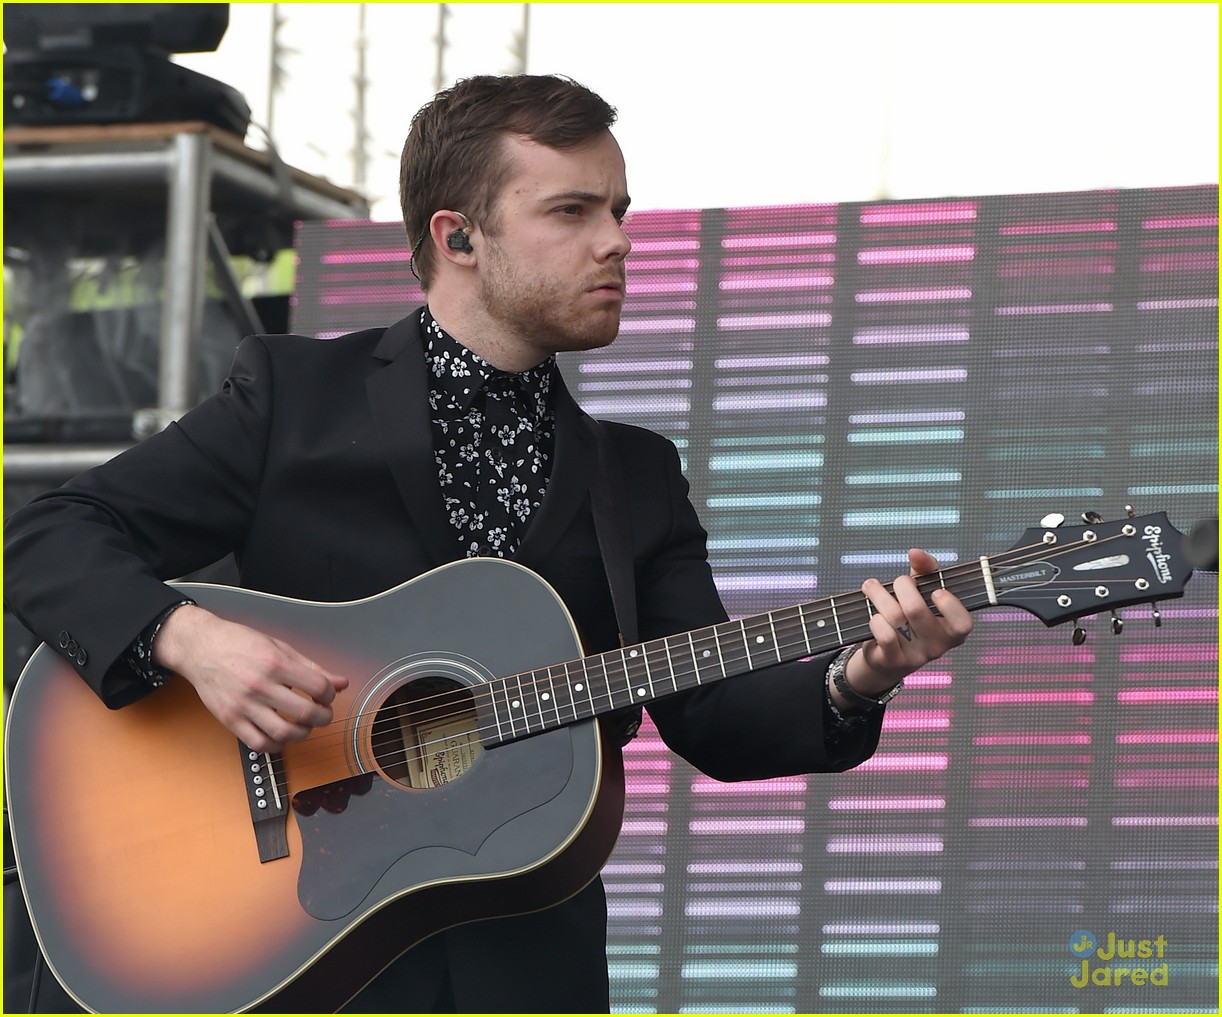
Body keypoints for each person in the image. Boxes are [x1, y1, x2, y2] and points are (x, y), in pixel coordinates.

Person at [3, 74, 973, 1013]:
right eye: (573, 212)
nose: (618, 242)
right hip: (288, 935)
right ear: (457, 235)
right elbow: (48, 535)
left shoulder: (633, 475)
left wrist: (858, 678)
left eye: (620, 210)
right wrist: (191, 640)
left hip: (523, 958)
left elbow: (710, 713)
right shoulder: (296, 395)